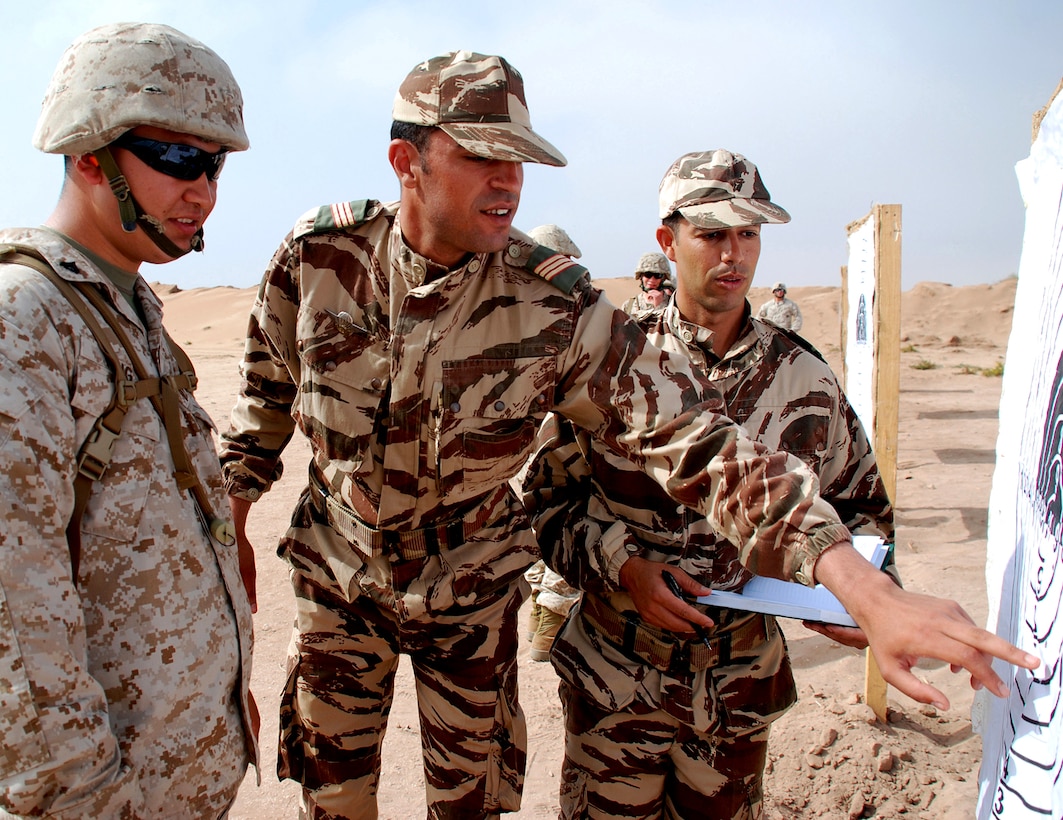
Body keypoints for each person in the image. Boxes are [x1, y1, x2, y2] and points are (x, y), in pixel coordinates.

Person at [218, 51, 1038, 820]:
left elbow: (698, 440)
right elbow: (258, 413)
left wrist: (865, 590)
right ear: (408, 163)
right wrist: (231, 532)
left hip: (468, 592)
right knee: (330, 790)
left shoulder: (558, 308)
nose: (509, 184)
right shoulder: (317, 257)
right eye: (482, 158)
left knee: (469, 799)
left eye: (520, 164)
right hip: (336, 576)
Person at [520, 148, 896, 818]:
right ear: (668, 241)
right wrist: (622, 566)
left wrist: (860, 600)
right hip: (615, 685)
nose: (734, 255)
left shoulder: (803, 379)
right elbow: (546, 504)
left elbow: (864, 511)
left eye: (748, 234)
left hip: (736, 695)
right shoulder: (607, 364)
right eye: (712, 233)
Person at [0, 22, 256, 817]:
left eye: (213, 164)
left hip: (177, 779)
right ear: (89, 155)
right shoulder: (26, 320)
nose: (203, 189)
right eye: (178, 158)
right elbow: (14, 608)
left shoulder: (127, 307)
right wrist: (80, 797)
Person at [521, 225, 584, 661]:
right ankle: (548, 622)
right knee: (561, 522)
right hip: (556, 439)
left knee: (540, 524)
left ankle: (543, 617)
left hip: (536, 441)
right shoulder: (564, 305)